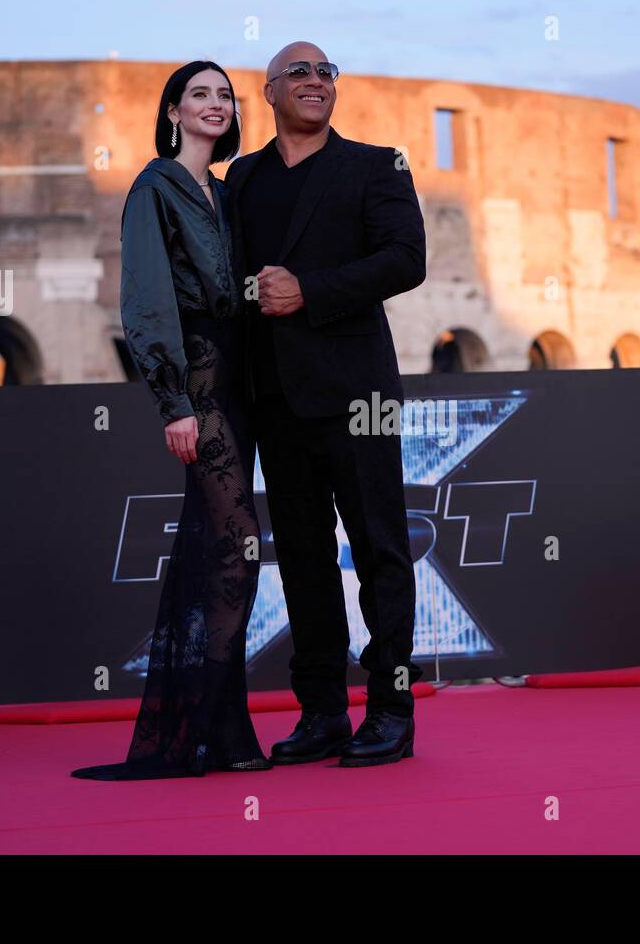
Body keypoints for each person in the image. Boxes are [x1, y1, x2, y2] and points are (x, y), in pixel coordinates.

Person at [224, 41, 427, 767]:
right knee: (304, 560)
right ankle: (322, 713)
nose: (316, 81)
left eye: (326, 72)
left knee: (379, 551)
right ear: (270, 92)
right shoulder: (242, 178)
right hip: (274, 399)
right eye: (300, 72)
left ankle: (392, 712)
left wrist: (309, 291)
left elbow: (406, 259)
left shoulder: (378, 165)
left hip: (357, 394)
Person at [72, 61, 269, 780]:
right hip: (201, 384)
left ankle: (226, 730)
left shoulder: (229, 191)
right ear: (173, 112)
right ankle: (200, 730)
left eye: (225, 96)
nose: (216, 105)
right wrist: (174, 403)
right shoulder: (154, 187)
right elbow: (147, 300)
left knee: (219, 551)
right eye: (200, 95)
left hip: (245, 384)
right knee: (239, 544)